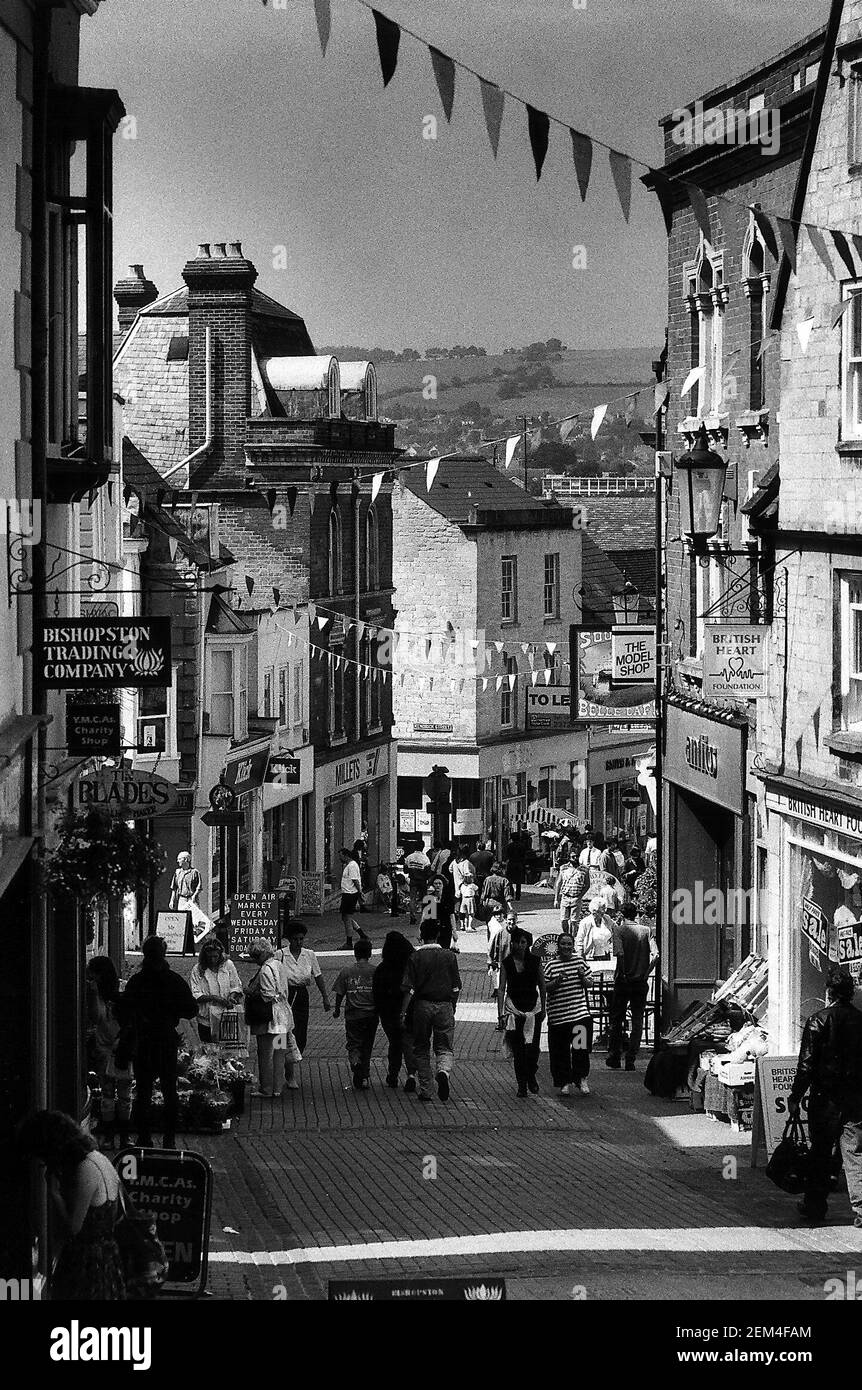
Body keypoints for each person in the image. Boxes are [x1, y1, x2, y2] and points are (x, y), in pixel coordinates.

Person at [16, 1111, 125, 1300]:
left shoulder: (85, 1169)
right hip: (107, 1259)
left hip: (87, 1264)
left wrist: (55, 1193)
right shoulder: (99, 1159)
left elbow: (74, 1229)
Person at [789, 965, 862, 1227]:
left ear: (829, 992)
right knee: (855, 1153)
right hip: (855, 1099)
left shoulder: (818, 1020)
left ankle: (815, 1206)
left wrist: (795, 1097)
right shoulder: (859, 1021)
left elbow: (806, 1065)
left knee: (820, 1153)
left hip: (825, 1099)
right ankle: (861, 1208)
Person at [115, 934, 198, 1148]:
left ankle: (144, 1137)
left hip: (144, 1040)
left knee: (143, 1091)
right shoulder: (173, 980)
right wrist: (172, 1013)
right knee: (170, 1091)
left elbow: (122, 1010)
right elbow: (191, 1009)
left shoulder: (137, 981)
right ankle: (169, 1140)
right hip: (165, 1039)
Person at [401, 921, 462, 1102]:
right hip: (444, 1005)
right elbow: (456, 987)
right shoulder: (449, 956)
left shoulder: (416, 957)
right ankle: (443, 1071)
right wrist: (453, 1005)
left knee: (421, 1047)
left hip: (422, 1005)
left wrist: (403, 1012)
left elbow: (409, 989)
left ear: (422, 935)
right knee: (444, 1046)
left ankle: (426, 1089)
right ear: (438, 935)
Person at [86, 956, 133, 1151]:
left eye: (92, 972)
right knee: (107, 1093)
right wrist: (94, 994)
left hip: (121, 1047)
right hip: (103, 1047)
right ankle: (109, 1134)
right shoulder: (94, 992)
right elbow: (95, 1017)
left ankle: (123, 1135)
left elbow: (131, 1018)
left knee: (124, 1093)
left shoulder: (122, 988)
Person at [606, 903, 657, 1071]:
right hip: (640, 982)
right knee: (637, 1020)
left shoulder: (619, 930)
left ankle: (614, 1055)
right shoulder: (646, 930)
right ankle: (631, 1059)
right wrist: (646, 973)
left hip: (623, 980)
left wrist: (624, 972)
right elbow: (656, 955)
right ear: (636, 914)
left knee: (616, 1018)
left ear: (622, 914)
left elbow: (620, 954)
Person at [246, 937, 298, 1098]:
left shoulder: (265, 969)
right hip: (283, 1017)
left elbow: (268, 995)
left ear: (261, 954)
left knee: (266, 1053)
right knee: (279, 1052)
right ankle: (277, 1087)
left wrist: (251, 992)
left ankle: (266, 1088)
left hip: (270, 1019)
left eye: (255, 956)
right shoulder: (279, 964)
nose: (255, 961)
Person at [543, 933, 593, 1095]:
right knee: (560, 1052)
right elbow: (545, 987)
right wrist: (557, 981)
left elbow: (589, 983)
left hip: (579, 1015)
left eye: (569, 944)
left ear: (573, 946)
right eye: (563, 944)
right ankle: (564, 1081)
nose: (566, 947)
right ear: (558, 946)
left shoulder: (579, 962)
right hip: (558, 1017)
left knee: (581, 1049)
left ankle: (581, 1078)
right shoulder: (551, 965)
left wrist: (581, 976)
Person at [501, 927, 546, 1097]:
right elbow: (502, 989)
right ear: (512, 943)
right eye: (517, 942)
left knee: (533, 1049)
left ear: (528, 944)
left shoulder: (535, 961)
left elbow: (542, 986)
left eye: (523, 942)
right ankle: (522, 1085)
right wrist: (501, 1014)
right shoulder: (507, 962)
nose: (520, 945)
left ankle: (531, 1074)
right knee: (519, 1050)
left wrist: (544, 1007)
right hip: (515, 1010)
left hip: (533, 1009)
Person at [277, 920, 330, 1056]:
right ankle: (279, 1050)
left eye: (301, 939)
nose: (299, 942)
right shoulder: (280, 954)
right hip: (285, 993)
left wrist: (325, 997)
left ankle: (297, 1051)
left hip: (301, 993)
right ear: (289, 940)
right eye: (295, 939)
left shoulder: (309, 954)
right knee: (282, 1023)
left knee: (301, 1024)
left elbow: (318, 976)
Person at [373, 931, 418, 1091]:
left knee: (395, 1043)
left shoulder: (382, 968)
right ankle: (411, 1074)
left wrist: (379, 1011)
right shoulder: (410, 966)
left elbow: (377, 993)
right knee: (409, 1043)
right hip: (409, 1010)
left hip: (388, 1012)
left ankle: (393, 1074)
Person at [333, 939, 379, 1089]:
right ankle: (364, 1077)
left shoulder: (347, 971)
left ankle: (355, 1062)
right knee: (367, 1045)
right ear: (370, 953)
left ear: (355, 953)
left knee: (354, 1044)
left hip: (353, 1014)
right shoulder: (375, 971)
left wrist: (337, 1009)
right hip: (371, 1014)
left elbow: (340, 992)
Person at [189, 937, 243, 1043]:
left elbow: (236, 985)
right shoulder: (197, 969)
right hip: (206, 1019)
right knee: (210, 1052)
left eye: (215, 956)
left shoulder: (228, 965)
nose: (212, 960)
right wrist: (215, 998)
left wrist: (232, 997)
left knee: (227, 1052)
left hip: (227, 1016)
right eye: (209, 957)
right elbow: (195, 994)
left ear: (220, 955)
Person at [168, 850, 211, 941]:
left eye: (179, 859)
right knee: (182, 920)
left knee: (196, 920)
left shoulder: (195, 872)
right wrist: (172, 900)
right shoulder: (177, 872)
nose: (178, 861)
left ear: (186, 860)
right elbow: (174, 888)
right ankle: (182, 940)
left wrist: (194, 896)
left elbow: (199, 887)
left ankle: (199, 939)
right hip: (182, 899)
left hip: (192, 899)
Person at [554, 855, 589, 930]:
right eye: (573, 857)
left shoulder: (584, 869)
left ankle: (572, 938)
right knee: (564, 920)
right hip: (565, 897)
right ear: (569, 858)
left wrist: (580, 897)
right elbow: (558, 883)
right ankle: (565, 935)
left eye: (577, 856)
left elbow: (587, 885)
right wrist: (556, 899)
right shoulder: (563, 868)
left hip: (576, 898)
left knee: (574, 922)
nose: (575, 858)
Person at [339, 846, 365, 949]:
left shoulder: (352, 866)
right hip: (347, 893)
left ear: (346, 856)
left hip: (350, 894)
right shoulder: (349, 865)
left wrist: (360, 892)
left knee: (347, 918)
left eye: (341, 856)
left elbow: (355, 880)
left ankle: (349, 942)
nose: (340, 858)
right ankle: (362, 935)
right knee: (345, 917)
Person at [479, 861, 514, 932]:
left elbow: (484, 894)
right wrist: (511, 907)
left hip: (489, 904)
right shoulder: (504, 880)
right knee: (501, 926)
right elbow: (507, 896)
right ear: (501, 869)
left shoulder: (487, 879)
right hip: (500, 905)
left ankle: (490, 941)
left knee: (490, 925)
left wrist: (482, 904)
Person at [404, 842, 432, 926]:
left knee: (412, 898)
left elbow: (405, 870)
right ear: (423, 847)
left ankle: (412, 916)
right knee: (425, 899)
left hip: (413, 880)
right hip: (422, 881)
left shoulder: (409, 857)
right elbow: (428, 872)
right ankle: (425, 917)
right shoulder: (425, 858)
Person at [505, 830, 528, 902]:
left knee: (510, 880)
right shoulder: (522, 846)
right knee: (518, 881)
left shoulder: (509, 846)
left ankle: (511, 894)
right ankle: (518, 896)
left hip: (511, 864)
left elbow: (506, 855)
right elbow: (524, 856)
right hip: (519, 864)